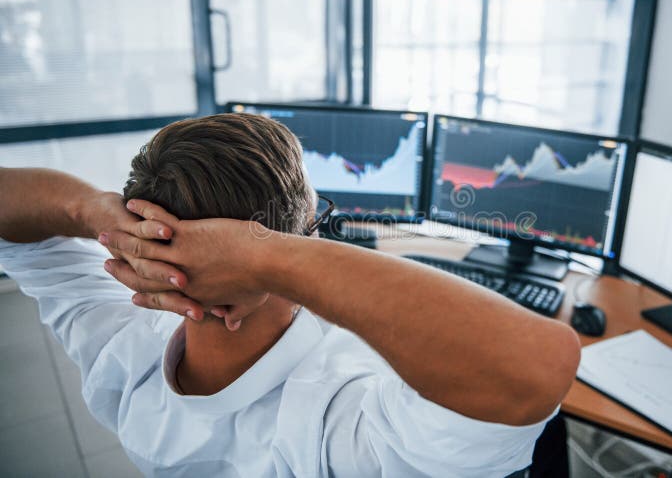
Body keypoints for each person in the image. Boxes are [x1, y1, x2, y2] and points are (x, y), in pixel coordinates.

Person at [0, 113, 581, 477]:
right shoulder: (338, 426)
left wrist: (89, 211)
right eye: (315, 224)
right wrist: (262, 255)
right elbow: (539, 362)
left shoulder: (121, 351)